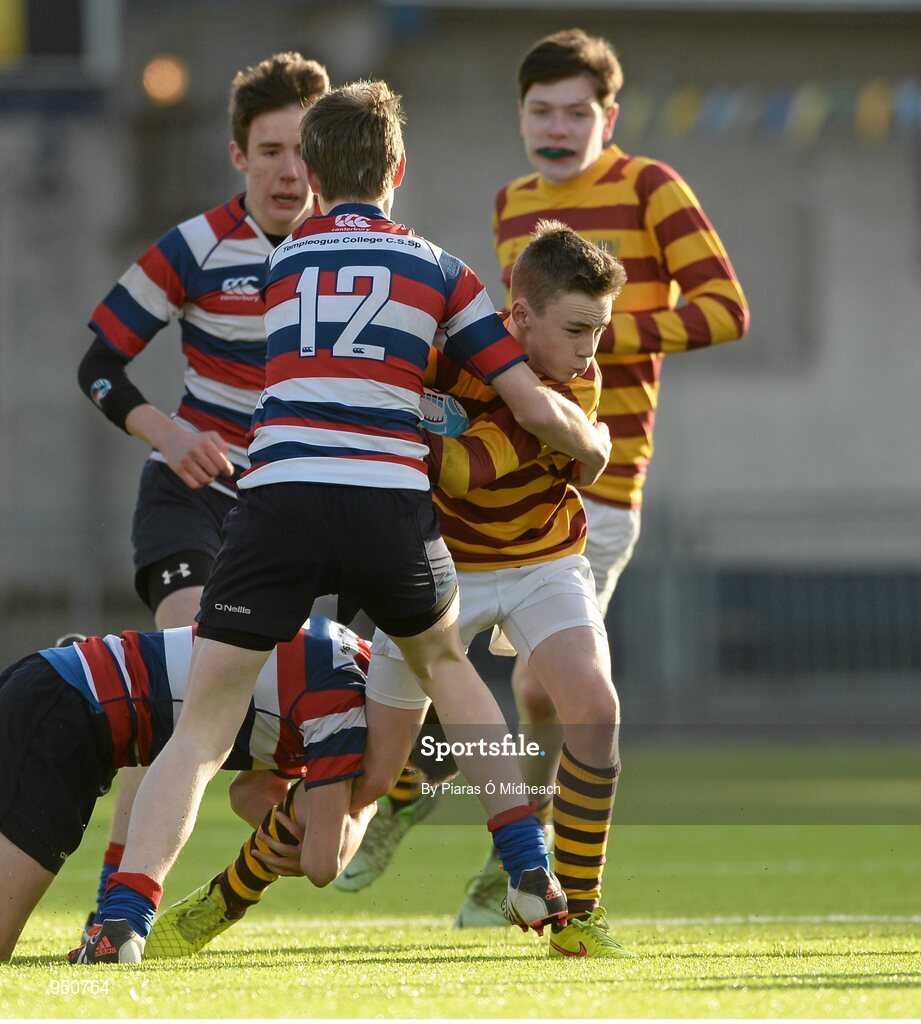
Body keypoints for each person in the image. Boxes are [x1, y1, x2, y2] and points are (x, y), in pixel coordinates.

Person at [76, 81, 613, 964]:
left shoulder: (275, 260)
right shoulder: (443, 271)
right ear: (400, 168)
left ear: (314, 178)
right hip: (387, 504)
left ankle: (122, 919)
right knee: (450, 668)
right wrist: (589, 447)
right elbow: (529, 401)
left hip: (276, 500)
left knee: (205, 718)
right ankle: (527, 868)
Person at [473, 26, 750, 907]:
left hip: (608, 475)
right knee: (495, 673)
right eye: (540, 110)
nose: (557, 127)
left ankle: (520, 860)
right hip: (522, 479)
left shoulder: (650, 186)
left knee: (535, 681)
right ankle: (510, 850)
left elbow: (725, 309)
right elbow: (519, 340)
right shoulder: (510, 203)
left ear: (609, 115)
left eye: (575, 112)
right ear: (519, 116)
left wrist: (593, 334)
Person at [73, 53, 331, 934]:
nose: (288, 168)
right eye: (269, 149)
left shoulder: (352, 252)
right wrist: (171, 432)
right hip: (191, 496)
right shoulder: (193, 247)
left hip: (295, 509)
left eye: (302, 148)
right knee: (182, 672)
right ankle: (116, 903)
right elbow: (99, 364)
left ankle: (268, 790)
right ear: (238, 156)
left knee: (324, 695)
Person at [0, 616, 378, 962]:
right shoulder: (344, 704)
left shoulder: (348, 658)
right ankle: (119, 924)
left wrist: (295, 832)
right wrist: (370, 799)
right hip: (67, 713)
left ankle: (117, 925)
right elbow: (322, 864)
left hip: (63, 701)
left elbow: (249, 793)